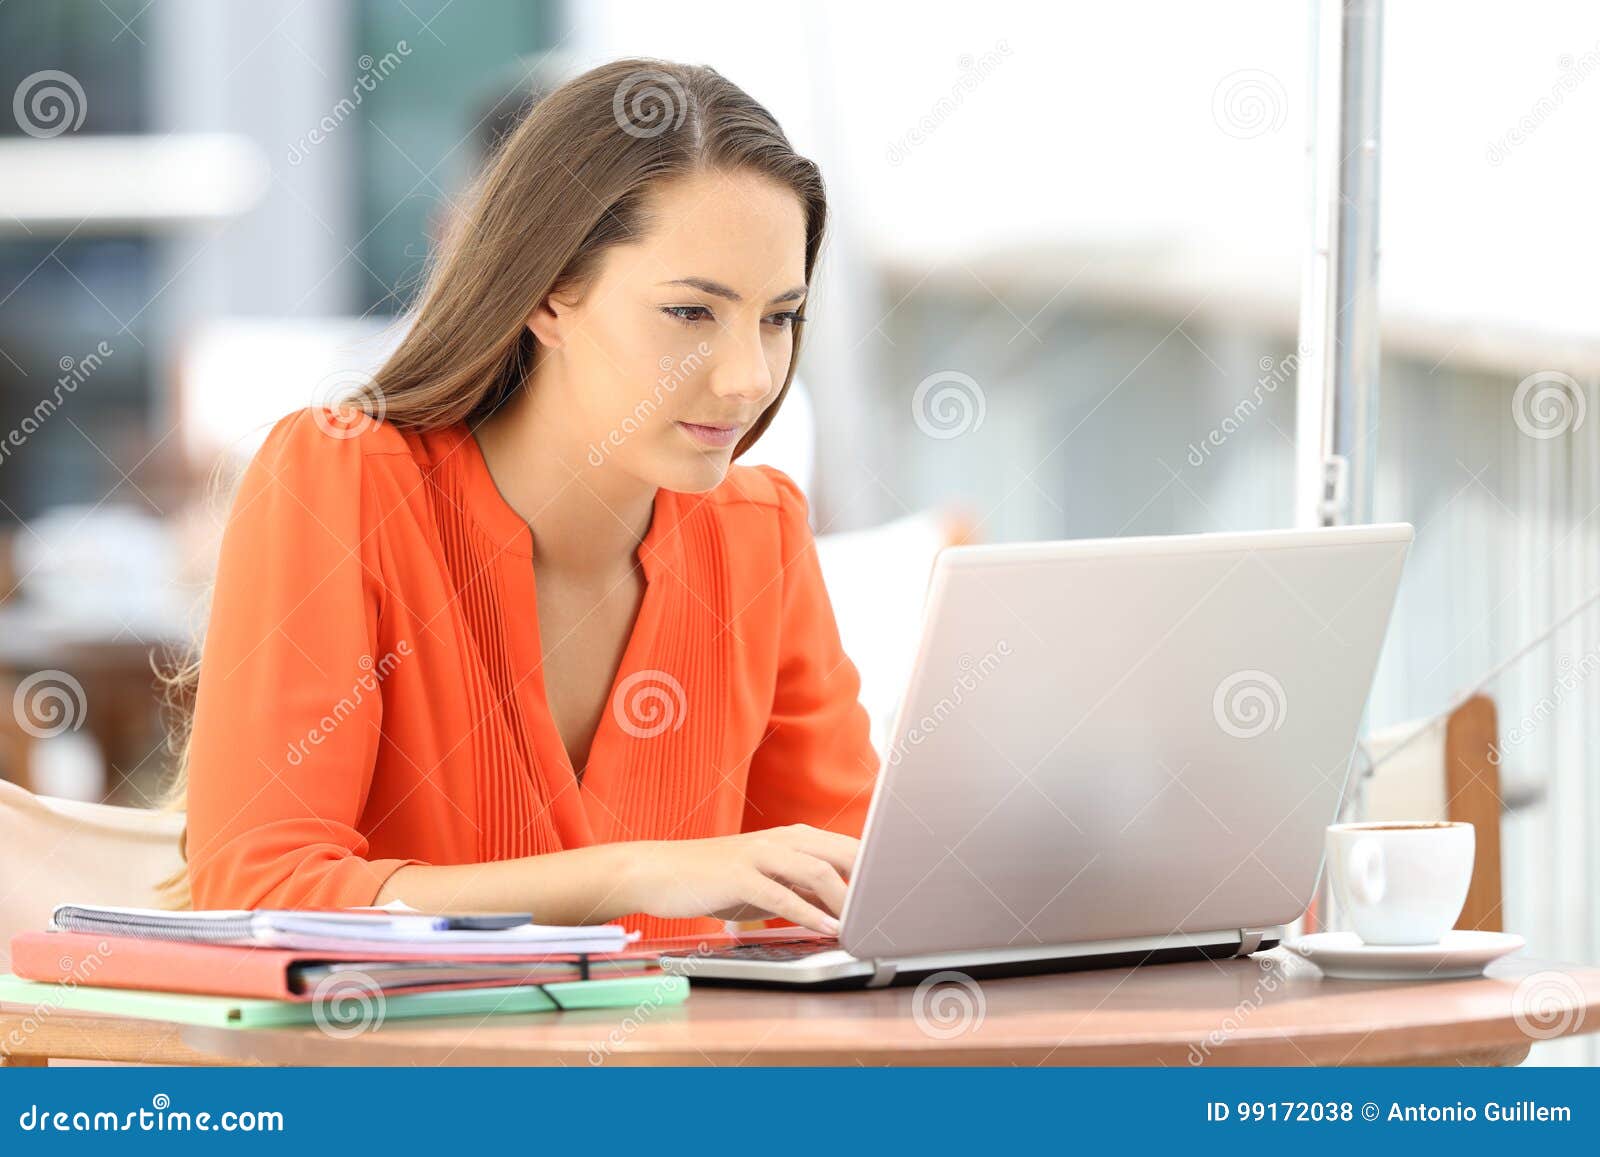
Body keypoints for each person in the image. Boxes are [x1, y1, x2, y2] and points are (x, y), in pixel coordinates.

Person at [156, 58, 879, 942]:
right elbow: (257, 892)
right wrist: (632, 872)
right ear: (547, 294)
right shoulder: (341, 481)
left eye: (779, 317)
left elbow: (858, 882)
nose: (749, 378)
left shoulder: (759, 529)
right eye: (692, 313)